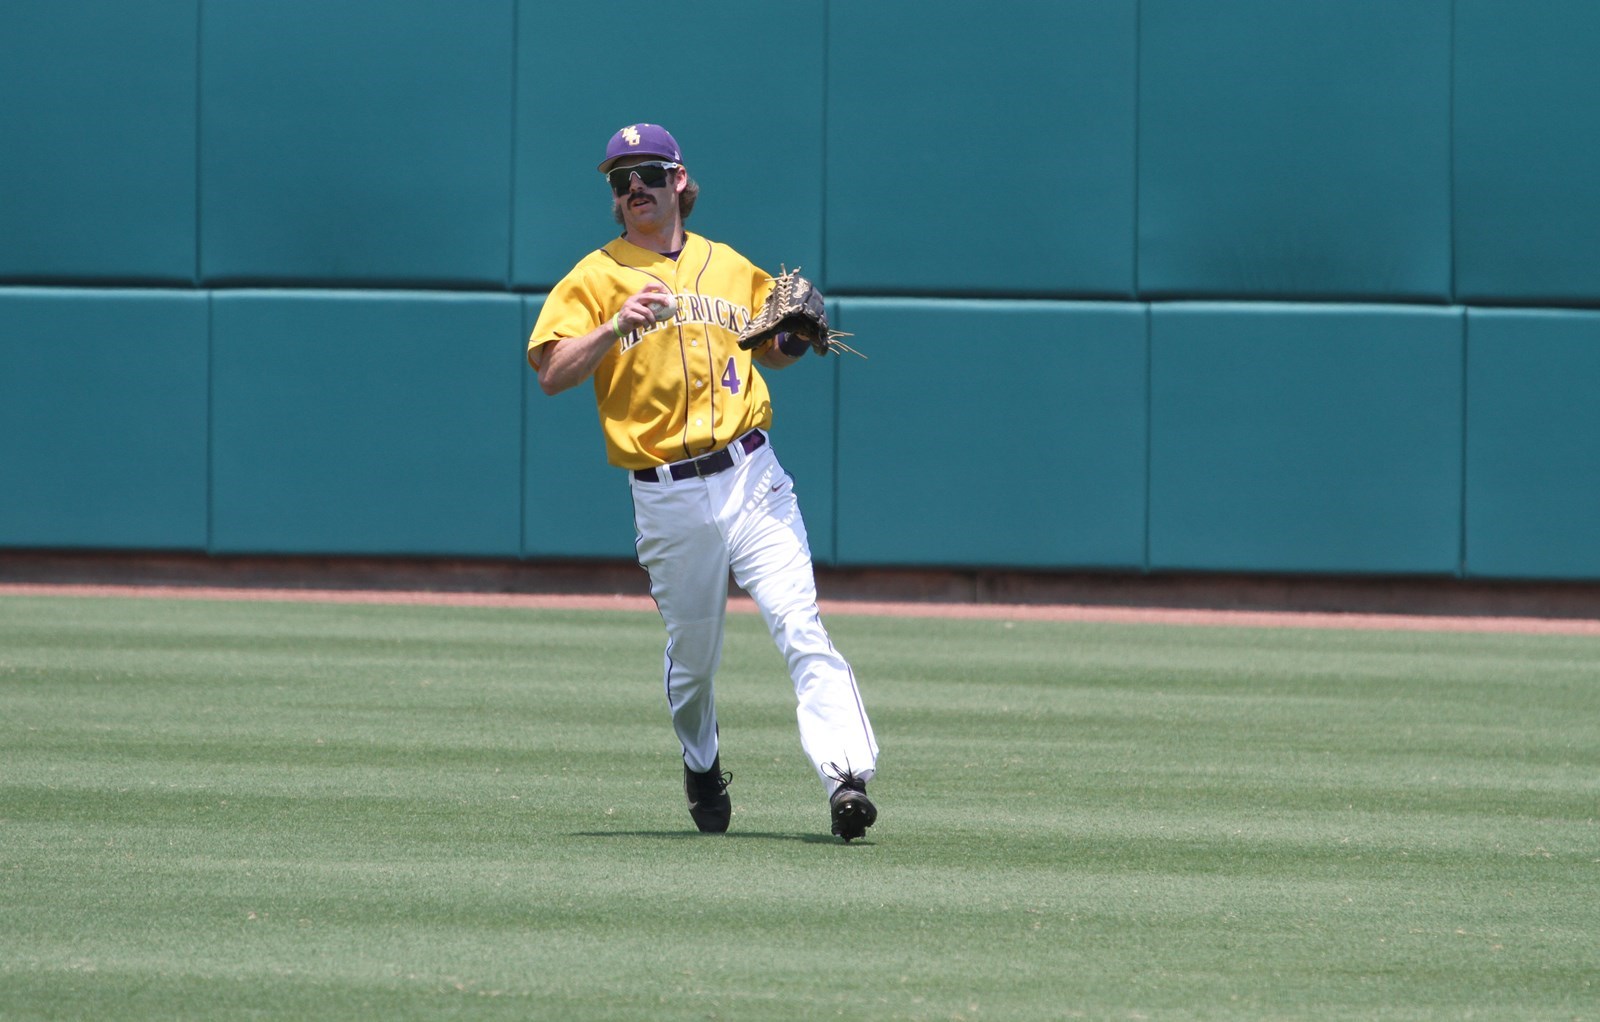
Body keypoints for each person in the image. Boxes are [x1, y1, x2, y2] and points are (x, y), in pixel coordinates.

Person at [526, 123, 880, 842]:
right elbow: (552, 373)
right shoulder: (594, 277)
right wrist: (611, 328)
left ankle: (846, 778)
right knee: (694, 663)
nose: (635, 187)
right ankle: (700, 760)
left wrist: (791, 339)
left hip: (751, 475)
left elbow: (774, 351)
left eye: (650, 173)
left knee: (800, 626)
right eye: (621, 178)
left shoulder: (729, 266)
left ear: (679, 180)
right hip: (666, 493)